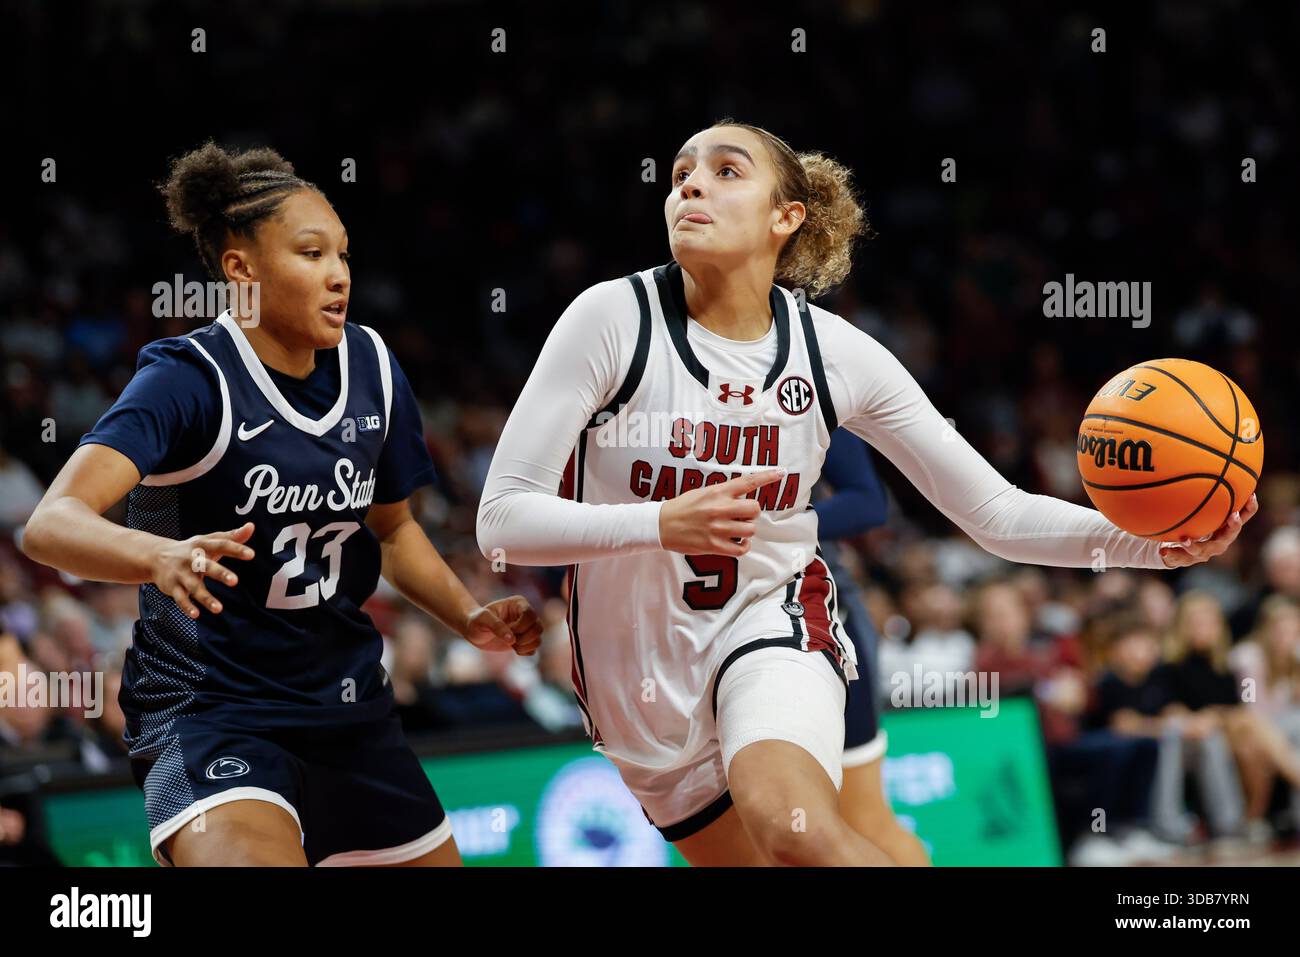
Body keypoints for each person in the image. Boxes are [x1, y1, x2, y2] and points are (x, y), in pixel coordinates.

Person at [476, 119, 1255, 866]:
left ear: (788, 216)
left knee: (797, 829)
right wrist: (660, 521)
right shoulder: (611, 318)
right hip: (632, 673)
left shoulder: (835, 354)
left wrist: (1151, 546)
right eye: (680, 175)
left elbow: (994, 511)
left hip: (769, 624)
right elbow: (502, 521)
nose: (690, 188)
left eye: (724, 172)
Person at [21, 143, 543, 867]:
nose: (338, 275)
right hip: (209, 714)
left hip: (349, 711)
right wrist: (159, 553)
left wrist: (468, 614)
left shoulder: (373, 369)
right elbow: (51, 523)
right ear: (242, 271)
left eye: (344, 255)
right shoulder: (186, 380)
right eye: (310, 253)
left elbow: (392, 529)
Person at [814, 428, 930, 864]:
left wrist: (771, 524)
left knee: (864, 818)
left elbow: (867, 500)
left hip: (823, 617)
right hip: (701, 625)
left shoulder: (805, 382)